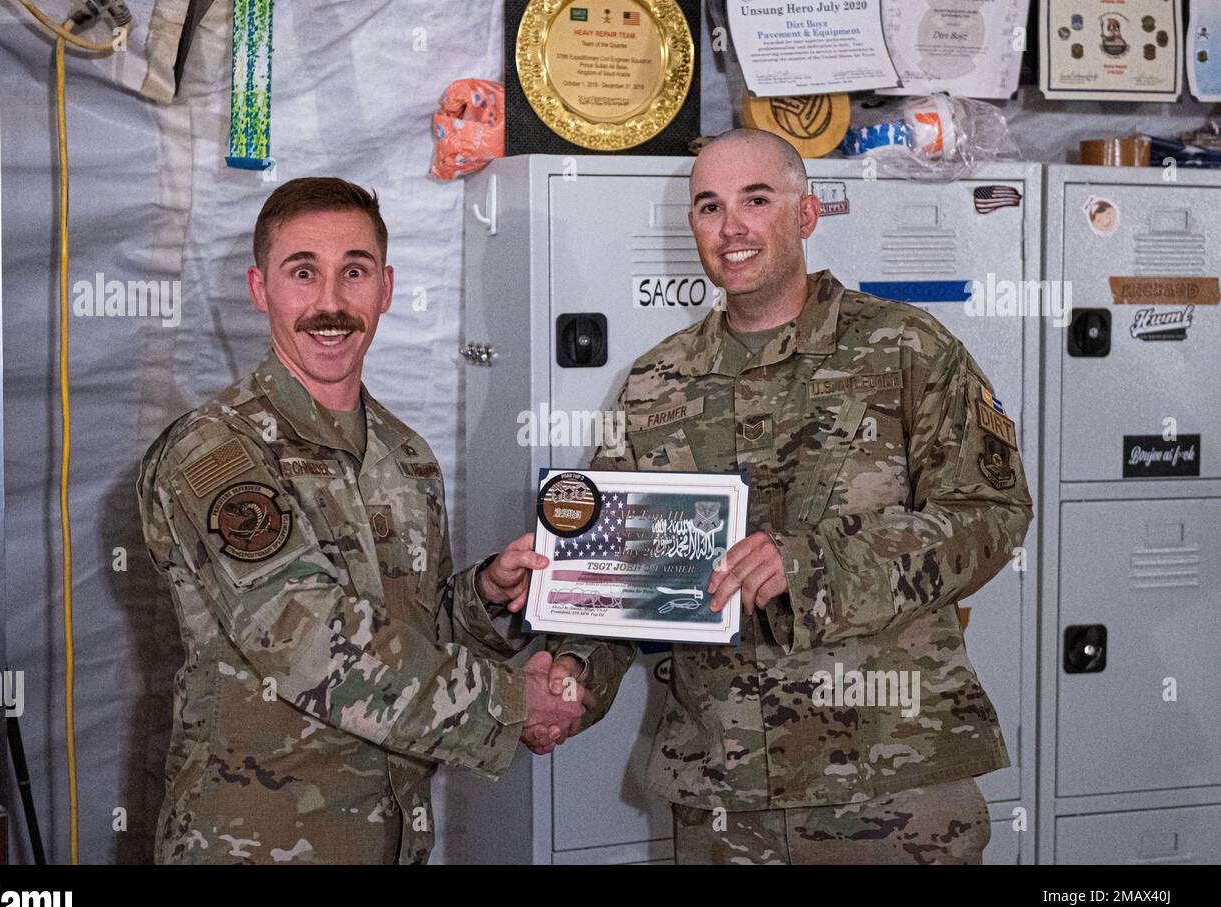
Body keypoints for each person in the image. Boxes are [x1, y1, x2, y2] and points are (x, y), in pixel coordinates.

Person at [533, 129, 1034, 864]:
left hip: (891, 786)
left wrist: (812, 566)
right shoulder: (653, 382)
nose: (731, 226)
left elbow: (990, 515)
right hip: (723, 790)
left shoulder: (906, 347)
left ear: (805, 216)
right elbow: (619, 572)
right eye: (709, 206)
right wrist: (571, 671)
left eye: (756, 200)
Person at [137, 177, 584, 864]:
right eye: (303, 273)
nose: (330, 304)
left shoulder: (403, 452)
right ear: (261, 290)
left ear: (386, 287)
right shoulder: (218, 452)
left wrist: (484, 596)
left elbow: (409, 623)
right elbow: (308, 636)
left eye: (354, 271)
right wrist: (513, 705)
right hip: (258, 840)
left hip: (391, 836)